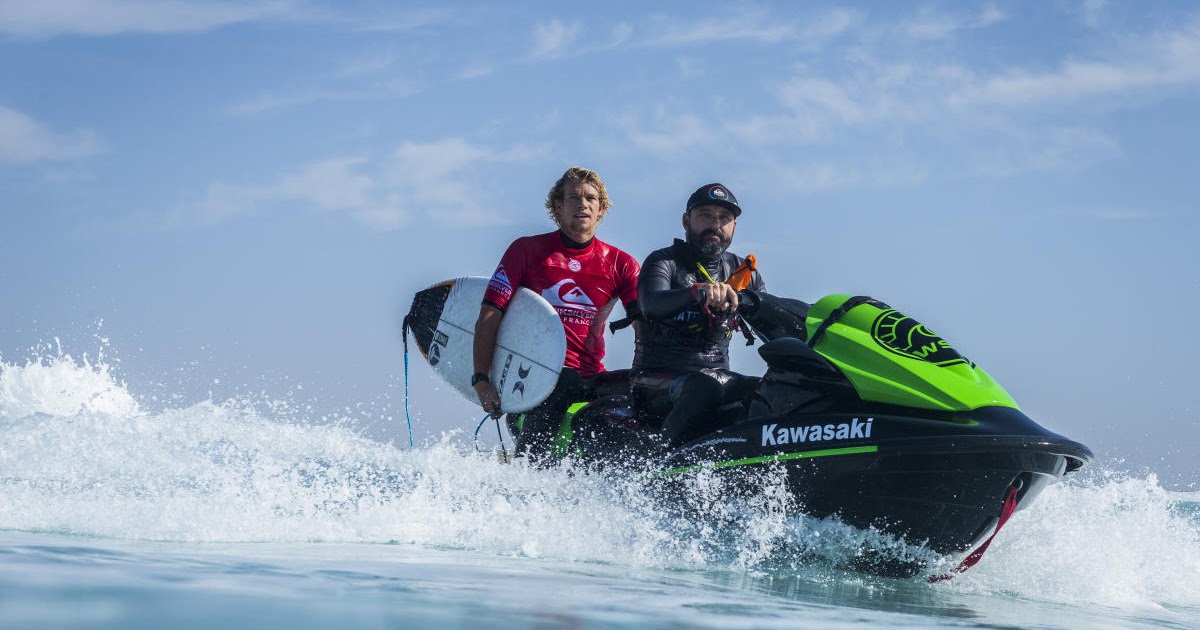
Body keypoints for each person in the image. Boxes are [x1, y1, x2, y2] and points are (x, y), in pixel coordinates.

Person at [472, 166, 640, 462]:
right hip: (533, 383)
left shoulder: (621, 264)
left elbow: (646, 327)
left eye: (590, 198)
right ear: (558, 207)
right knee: (566, 380)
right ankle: (528, 475)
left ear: (601, 209)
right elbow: (490, 314)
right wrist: (481, 380)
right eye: (574, 198)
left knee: (638, 386)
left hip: (590, 379)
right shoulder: (527, 250)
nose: (583, 204)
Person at [630, 183, 766, 447]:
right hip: (655, 381)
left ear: (734, 227)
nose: (715, 224)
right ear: (686, 220)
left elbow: (770, 323)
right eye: (705, 215)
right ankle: (655, 467)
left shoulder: (744, 272)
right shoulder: (663, 261)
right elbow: (651, 304)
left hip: (717, 376)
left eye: (724, 218)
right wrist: (696, 292)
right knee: (706, 386)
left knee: (769, 388)